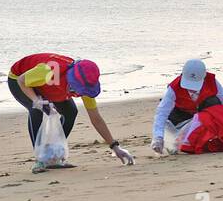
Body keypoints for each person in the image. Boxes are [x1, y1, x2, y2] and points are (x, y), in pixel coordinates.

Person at [7, 53, 135, 173]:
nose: (77, 92)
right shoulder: (50, 71)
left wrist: (115, 147)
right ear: (71, 78)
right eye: (74, 88)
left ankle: (52, 155)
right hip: (19, 79)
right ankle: (40, 159)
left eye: (79, 90)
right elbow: (22, 80)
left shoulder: (86, 84)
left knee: (70, 112)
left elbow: (95, 118)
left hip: (46, 84)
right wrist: (37, 101)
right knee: (36, 110)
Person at [152, 59, 223, 154]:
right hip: (178, 120)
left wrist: (221, 124)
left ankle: (193, 139)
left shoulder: (212, 81)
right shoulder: (174, 87)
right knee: (170, 145)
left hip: (201, 120)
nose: (191, 89)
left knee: (214, 103)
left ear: (204, 78)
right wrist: (158, 137)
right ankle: (180, 141)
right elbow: (161, 113)